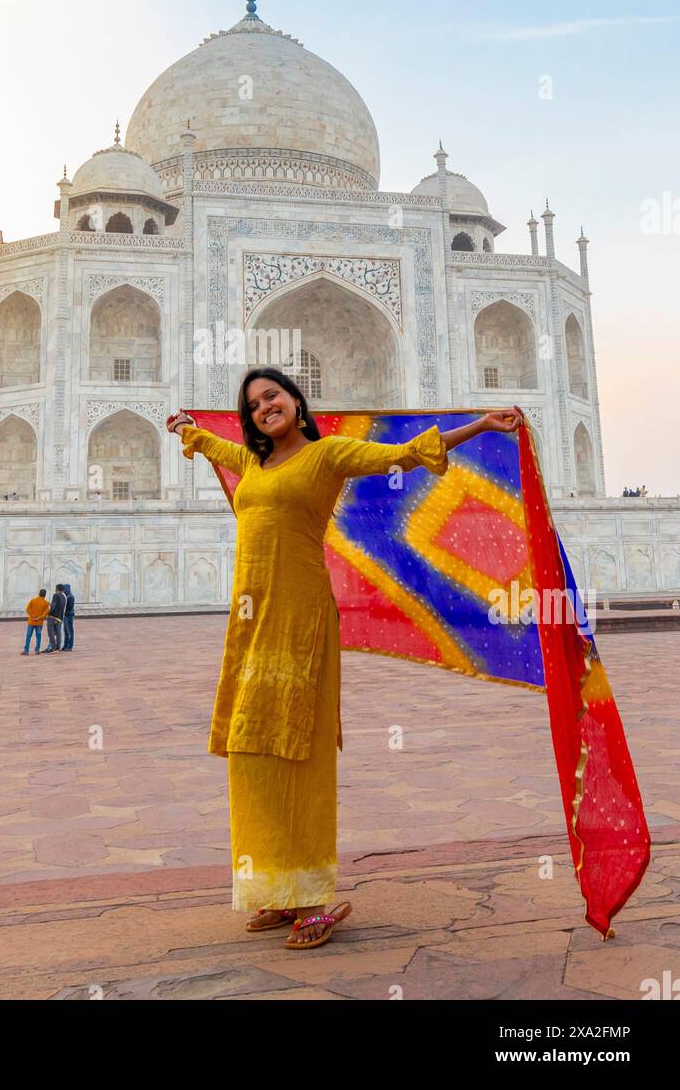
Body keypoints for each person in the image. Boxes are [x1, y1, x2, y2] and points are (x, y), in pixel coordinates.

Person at [167, 367, 522, 951]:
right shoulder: (254, 464)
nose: (263, 408)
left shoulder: (327, 454)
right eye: (253, 404)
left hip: (301, 615)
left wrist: (478, 425)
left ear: (296, 402)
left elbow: (401, 456)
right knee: (252, 748)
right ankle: (274, 890)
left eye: (272, 396)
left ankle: (313, 898)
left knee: (299, 748)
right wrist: (186, 429)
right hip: (251, 618)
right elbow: (215, 446)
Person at [22, 589, 48, 655]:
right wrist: (40, 617)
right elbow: (46, 612)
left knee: (28, 636)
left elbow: (27, 609)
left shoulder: (33, 600)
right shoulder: (45, 603)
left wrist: (32, 616)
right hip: (39, 622)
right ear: (45, 595)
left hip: (31, 621)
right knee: (38, 636)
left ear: (39, 593)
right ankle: (37, 650)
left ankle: (26, 650)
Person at [44, 584, 66, 652]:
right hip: (60, 617)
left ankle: (53, 647)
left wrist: (49, 613)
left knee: (51, 633)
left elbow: (53, 605)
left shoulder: (56, 595)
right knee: (58, 633)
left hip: (53, 617)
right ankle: (58, 647)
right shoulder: (64, 596)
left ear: (57, 588)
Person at [62, 583, 75, 651]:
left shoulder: (70, 596)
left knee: (70, 631)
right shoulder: (66, 596)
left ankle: (70, 646)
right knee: (66, 631)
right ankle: (65, 645)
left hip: (69, 615)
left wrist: (63, 609)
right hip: (66, 615)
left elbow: (70, 607)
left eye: (64, 589)